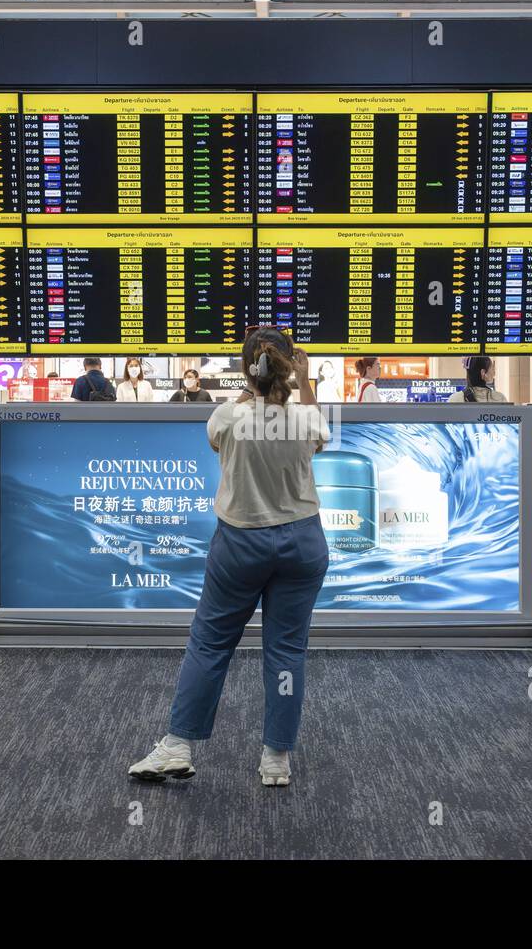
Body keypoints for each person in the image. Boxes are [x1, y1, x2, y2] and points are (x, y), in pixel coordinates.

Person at [129, 327, 330, 788]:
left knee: (211, 642)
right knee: (286, 650)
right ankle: (276, 758)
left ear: (245, 369)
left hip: (241, 544)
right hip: (302, 543)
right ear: (290, 366)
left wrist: (254, 389)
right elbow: (319, 434)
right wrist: (303, 385)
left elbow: (222, 439)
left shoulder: (226, 416)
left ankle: (178, 746)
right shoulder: (304, 419)